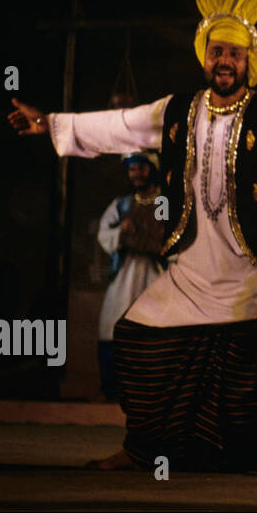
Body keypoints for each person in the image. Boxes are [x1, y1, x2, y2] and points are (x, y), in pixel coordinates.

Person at [7, 0, 257, 480]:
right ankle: (142, 446)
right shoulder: (177, 111)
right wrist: (50, 124)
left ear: (250, 61)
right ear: (205, 57)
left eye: (235, 54)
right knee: (133, 334)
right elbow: (116, 128)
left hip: (255, 273)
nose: (225, 62)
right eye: (217, 52)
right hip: (194, 276)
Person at [95, 151, 168, 401]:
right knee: (112, 326)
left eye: (141, 168)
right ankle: (114, 391)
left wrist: (156, 240)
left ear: (151, 169)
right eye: (132, 169)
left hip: (155, 275)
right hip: (125, 272)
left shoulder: (162, 201)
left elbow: (166, 233)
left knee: (155, 328)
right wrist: (121, 232)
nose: (136, 173)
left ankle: (154, 393)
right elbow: (104, 234)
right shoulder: (122, 204)